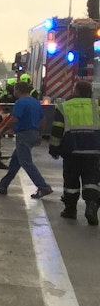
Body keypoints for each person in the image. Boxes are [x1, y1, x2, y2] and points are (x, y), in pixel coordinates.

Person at [49, 81, 100, 224]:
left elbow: (57, 130)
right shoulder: (97, 106)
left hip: (71, 151)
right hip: (93, 151)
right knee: (92, 180)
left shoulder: (64, 107)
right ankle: (91, 205)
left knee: (71, 181)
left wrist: (54, 148)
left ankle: (70, 210)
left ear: (76, 91)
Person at [0, 82, 52, 199]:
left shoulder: (20, 102)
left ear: (18, 90)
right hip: (33, 133)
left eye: (15, 89)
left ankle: (43, 187)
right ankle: (3, 185)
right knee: (16, 161)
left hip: (24, 134)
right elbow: (43, 119)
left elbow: (14, 119)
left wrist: (1, 131)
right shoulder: (35, 102)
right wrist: (39, 135)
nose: (14, 92)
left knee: (26, 163)